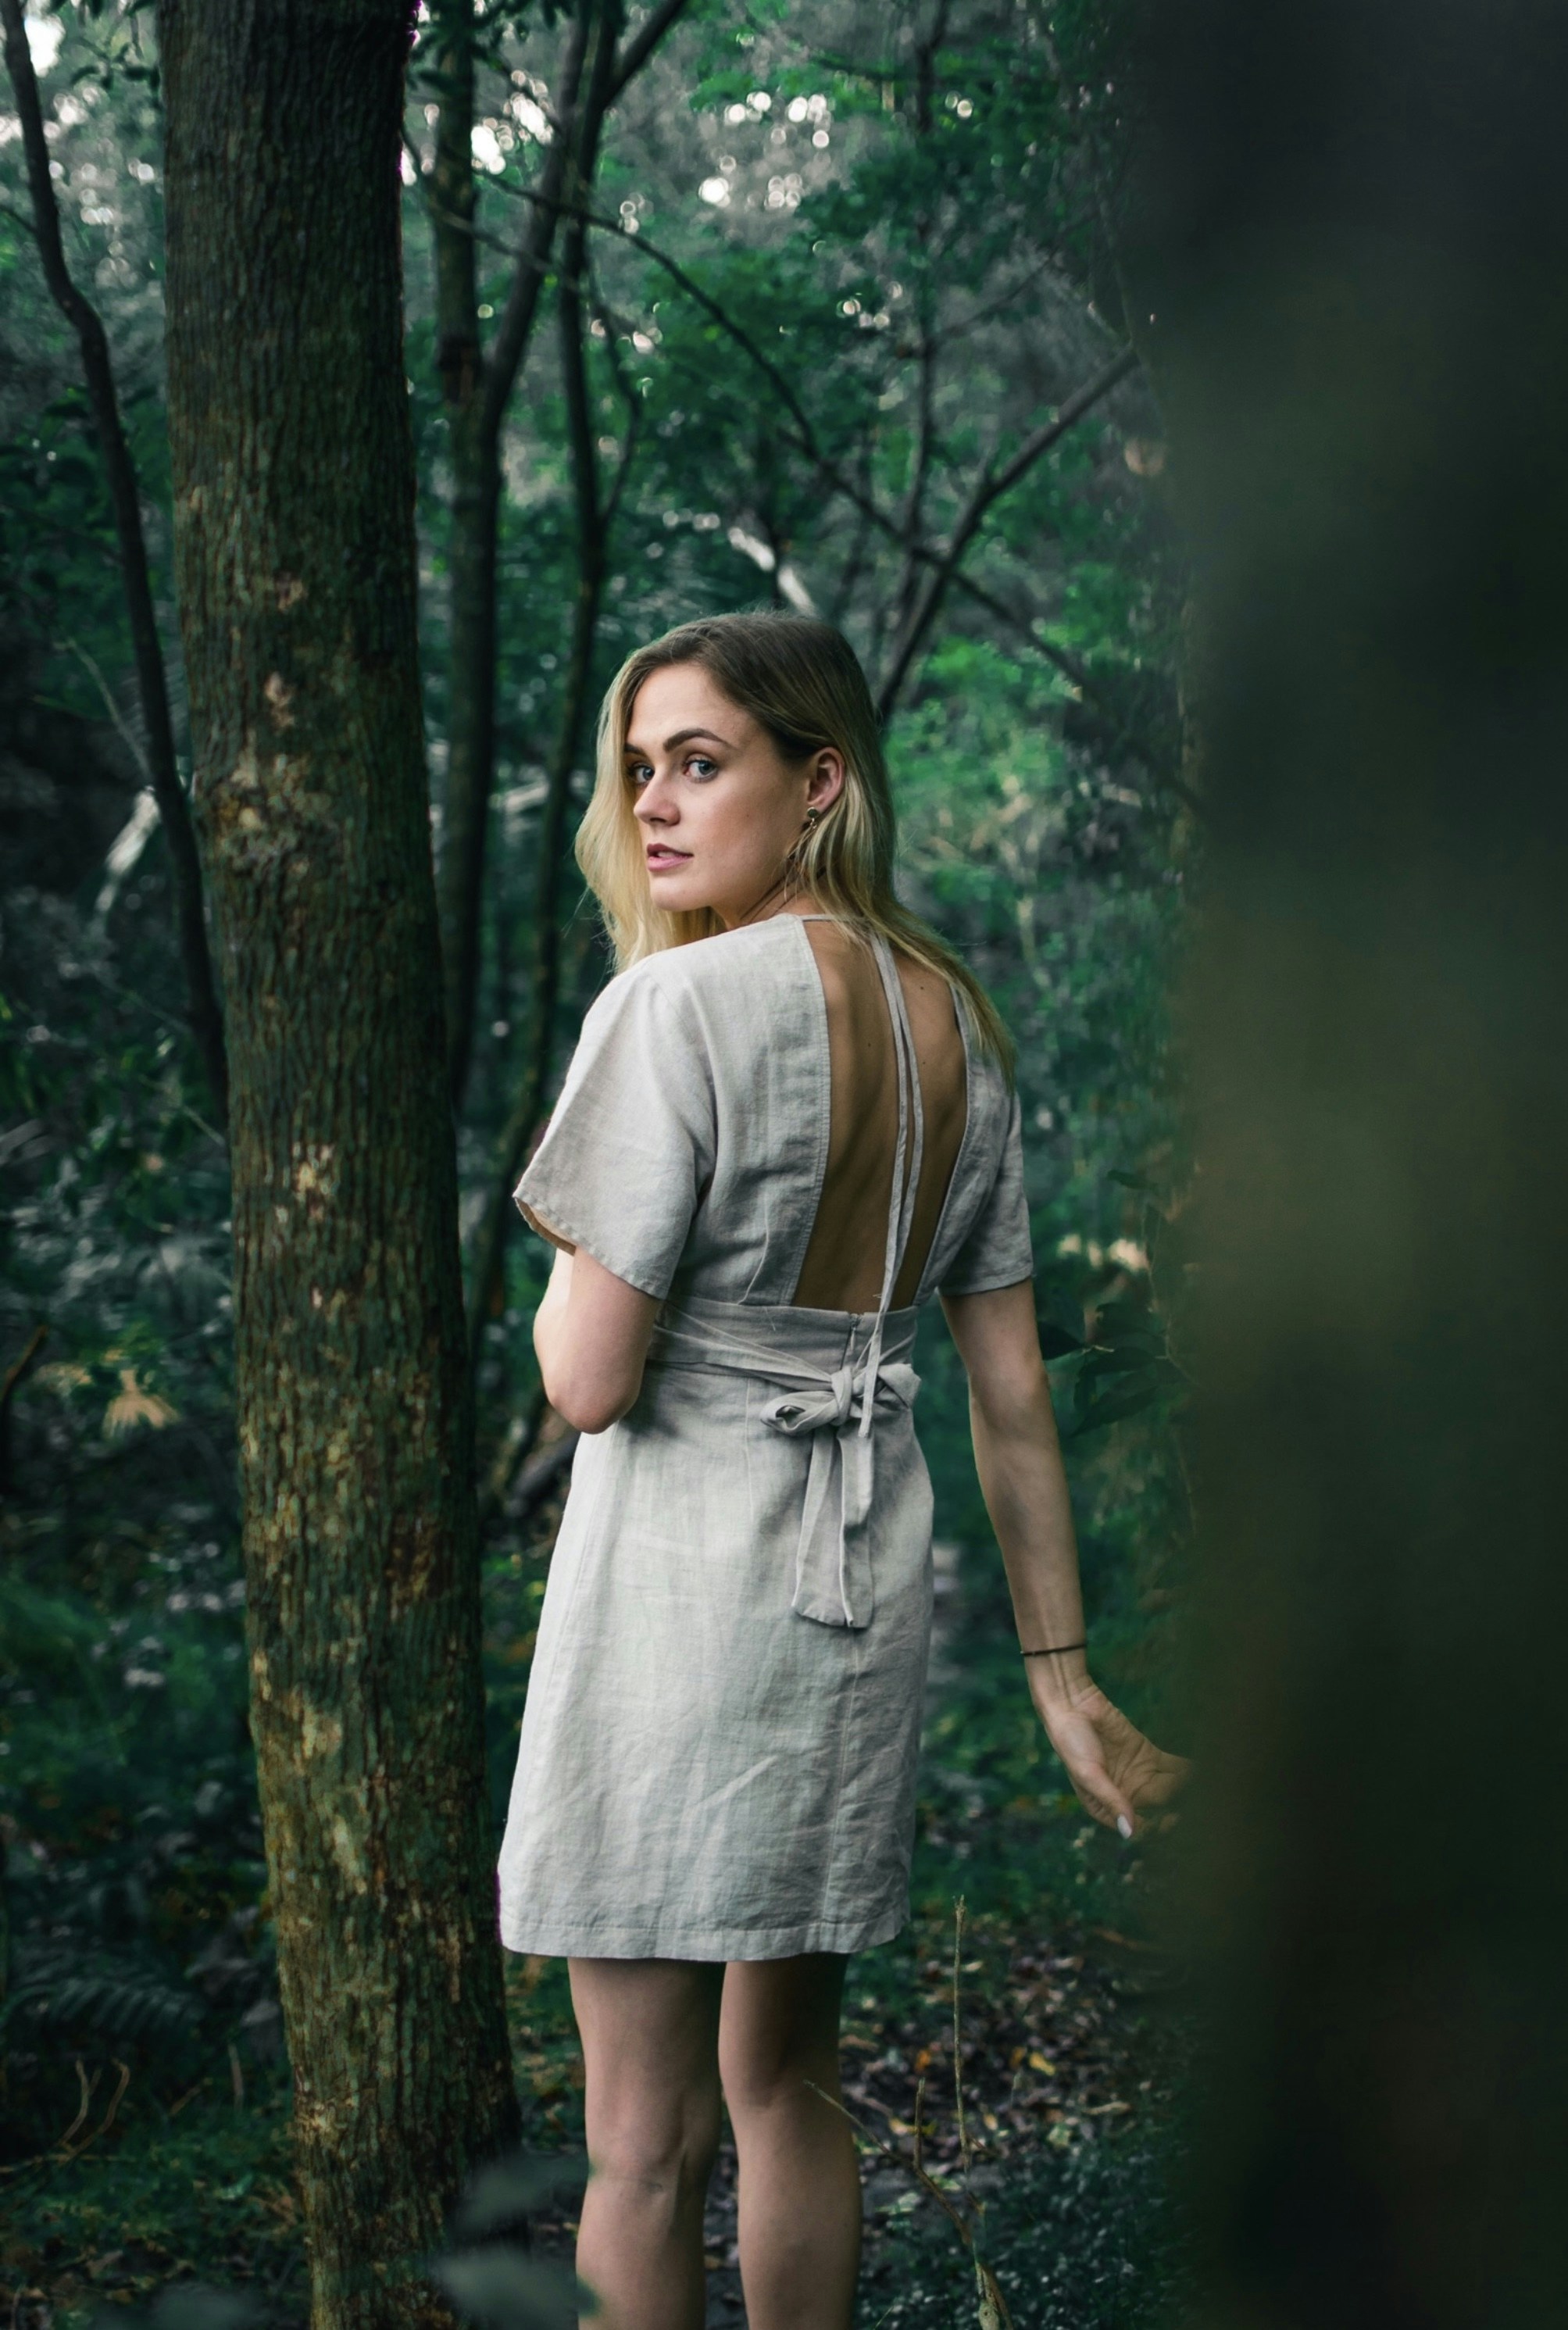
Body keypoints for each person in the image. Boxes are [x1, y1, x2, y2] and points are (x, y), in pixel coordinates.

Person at [497, 612, 1184, 2330]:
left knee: (637, 2143)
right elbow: (1008, 1392)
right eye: (638, 766)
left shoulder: (668, 1005)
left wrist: (558, 1294)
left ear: (819, 782)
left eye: (699, 762)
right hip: (862, 1565)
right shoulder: (954, 1020)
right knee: (787, 2082)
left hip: (684, 1578)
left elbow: (586, 1381)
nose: (653, 802)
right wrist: (1059, 1675)